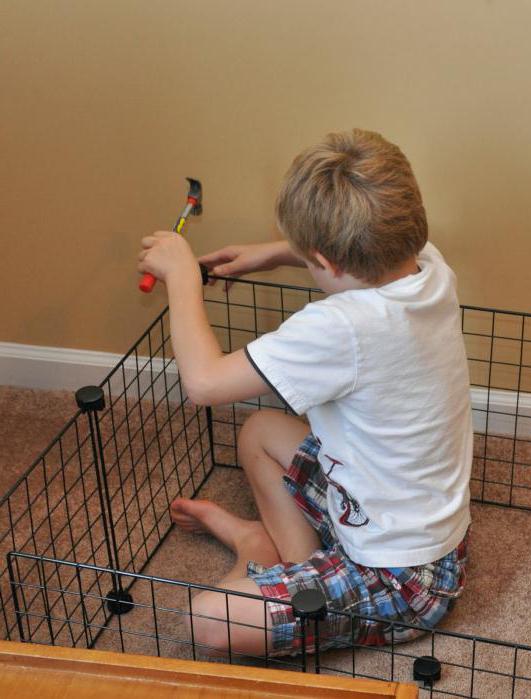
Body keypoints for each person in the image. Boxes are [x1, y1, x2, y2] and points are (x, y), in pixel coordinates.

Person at [137, 129, 473, 658]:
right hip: (398, 519)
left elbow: (203, 383)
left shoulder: (342, 326)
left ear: (328, 259)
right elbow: (362, 251)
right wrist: (272, 255)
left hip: (403, 579)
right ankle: (296, 568)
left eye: (309, 259)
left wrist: (181, 276)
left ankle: (256, 550)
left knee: (211, 621)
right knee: (260, 432)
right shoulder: (429, 266)